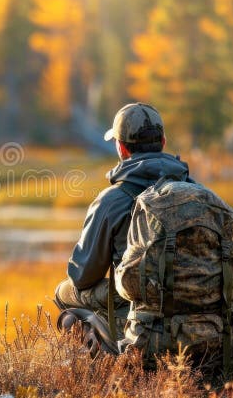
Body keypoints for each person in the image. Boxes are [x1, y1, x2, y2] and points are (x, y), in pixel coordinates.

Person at [54, 102, 194, 337]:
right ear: (163, 143)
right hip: (201, 319)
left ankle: (109, 348)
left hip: (142, 321)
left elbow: (82, 276)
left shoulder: (112, 200)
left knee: (64, 292)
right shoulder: (194, 191)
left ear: (121, 148)